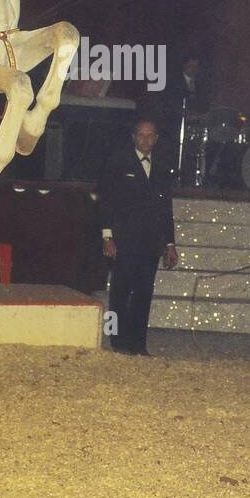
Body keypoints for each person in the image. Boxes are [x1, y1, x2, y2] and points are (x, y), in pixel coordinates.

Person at [97, 117, 178, 356]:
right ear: (134, 137)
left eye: (150, 135)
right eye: (141, 134)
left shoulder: (161, 167)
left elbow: (165, 209)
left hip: (150, 242)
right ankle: (118, 342)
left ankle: (138, 343)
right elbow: (106, 201)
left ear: (156, 139)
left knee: (143, 293)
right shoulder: (118, 162)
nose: (145, 139)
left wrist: (169, 243)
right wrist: (107, 236)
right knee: (120, 291)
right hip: (124, 239)